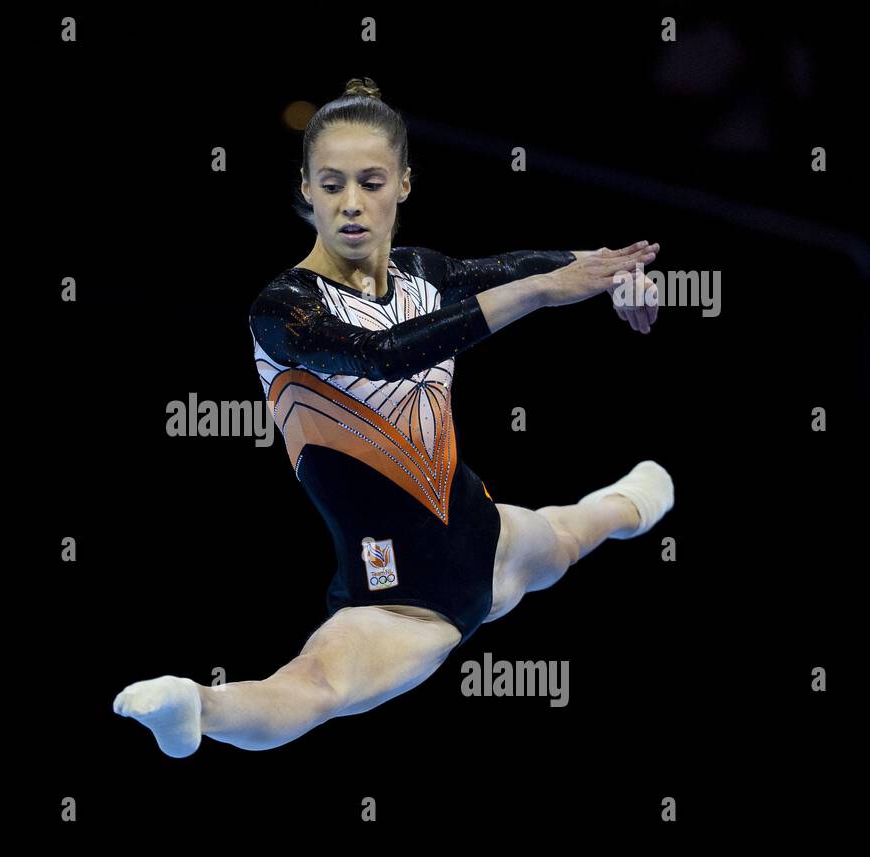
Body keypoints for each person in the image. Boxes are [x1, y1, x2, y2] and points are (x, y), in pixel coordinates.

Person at [113, 77, 673, 757]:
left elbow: (551, 263)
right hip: (399, 594)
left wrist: (621, 274)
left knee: (562, 535)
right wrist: (543, 292)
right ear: (307, 189)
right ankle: (193, 704)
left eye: (372, 181)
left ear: (404, 184)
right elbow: (383, 356)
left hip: (485, 533)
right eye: (332, 183)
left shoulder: (423, 274)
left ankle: (632, 504)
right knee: (315, 689)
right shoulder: (283, 309)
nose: (352, 203)